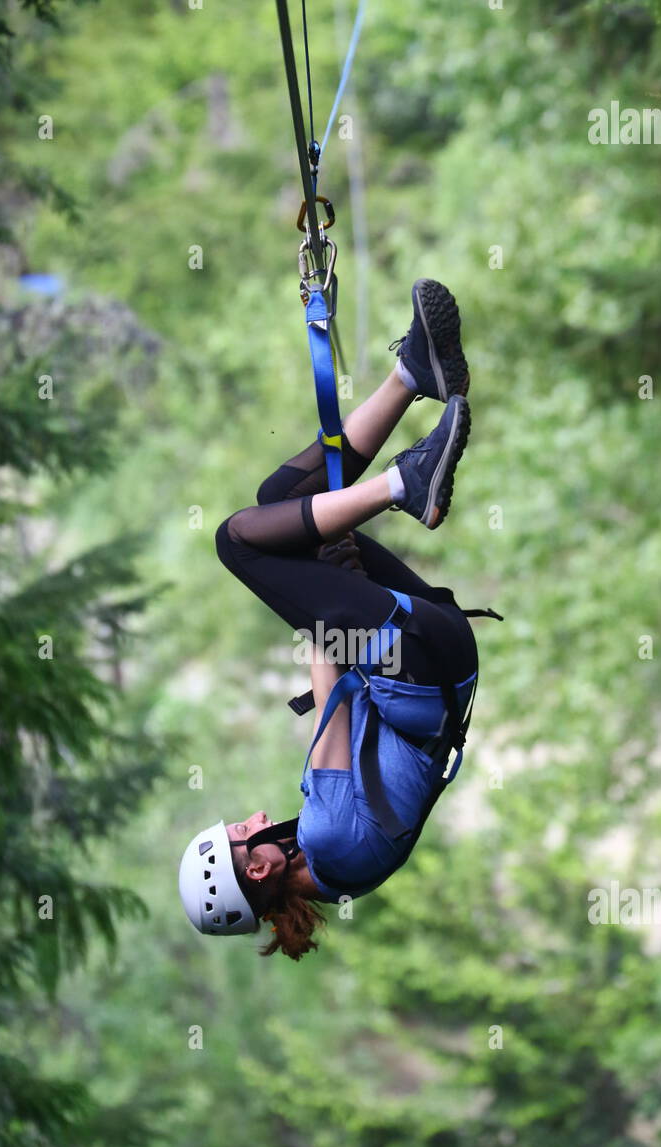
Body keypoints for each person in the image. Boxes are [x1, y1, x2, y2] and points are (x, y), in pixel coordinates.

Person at [179, 278, 487, 960]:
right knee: (237, 540)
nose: (254, 820)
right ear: (256, 866)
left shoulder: (338, 868)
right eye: (242, 831)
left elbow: (338, 691)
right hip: (416, 658)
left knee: (280, 505)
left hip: (442, 657)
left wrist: (321, 584)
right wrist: (311, 598)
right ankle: (407, 483)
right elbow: (334, 685)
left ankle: (415, 373)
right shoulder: (325, 840)